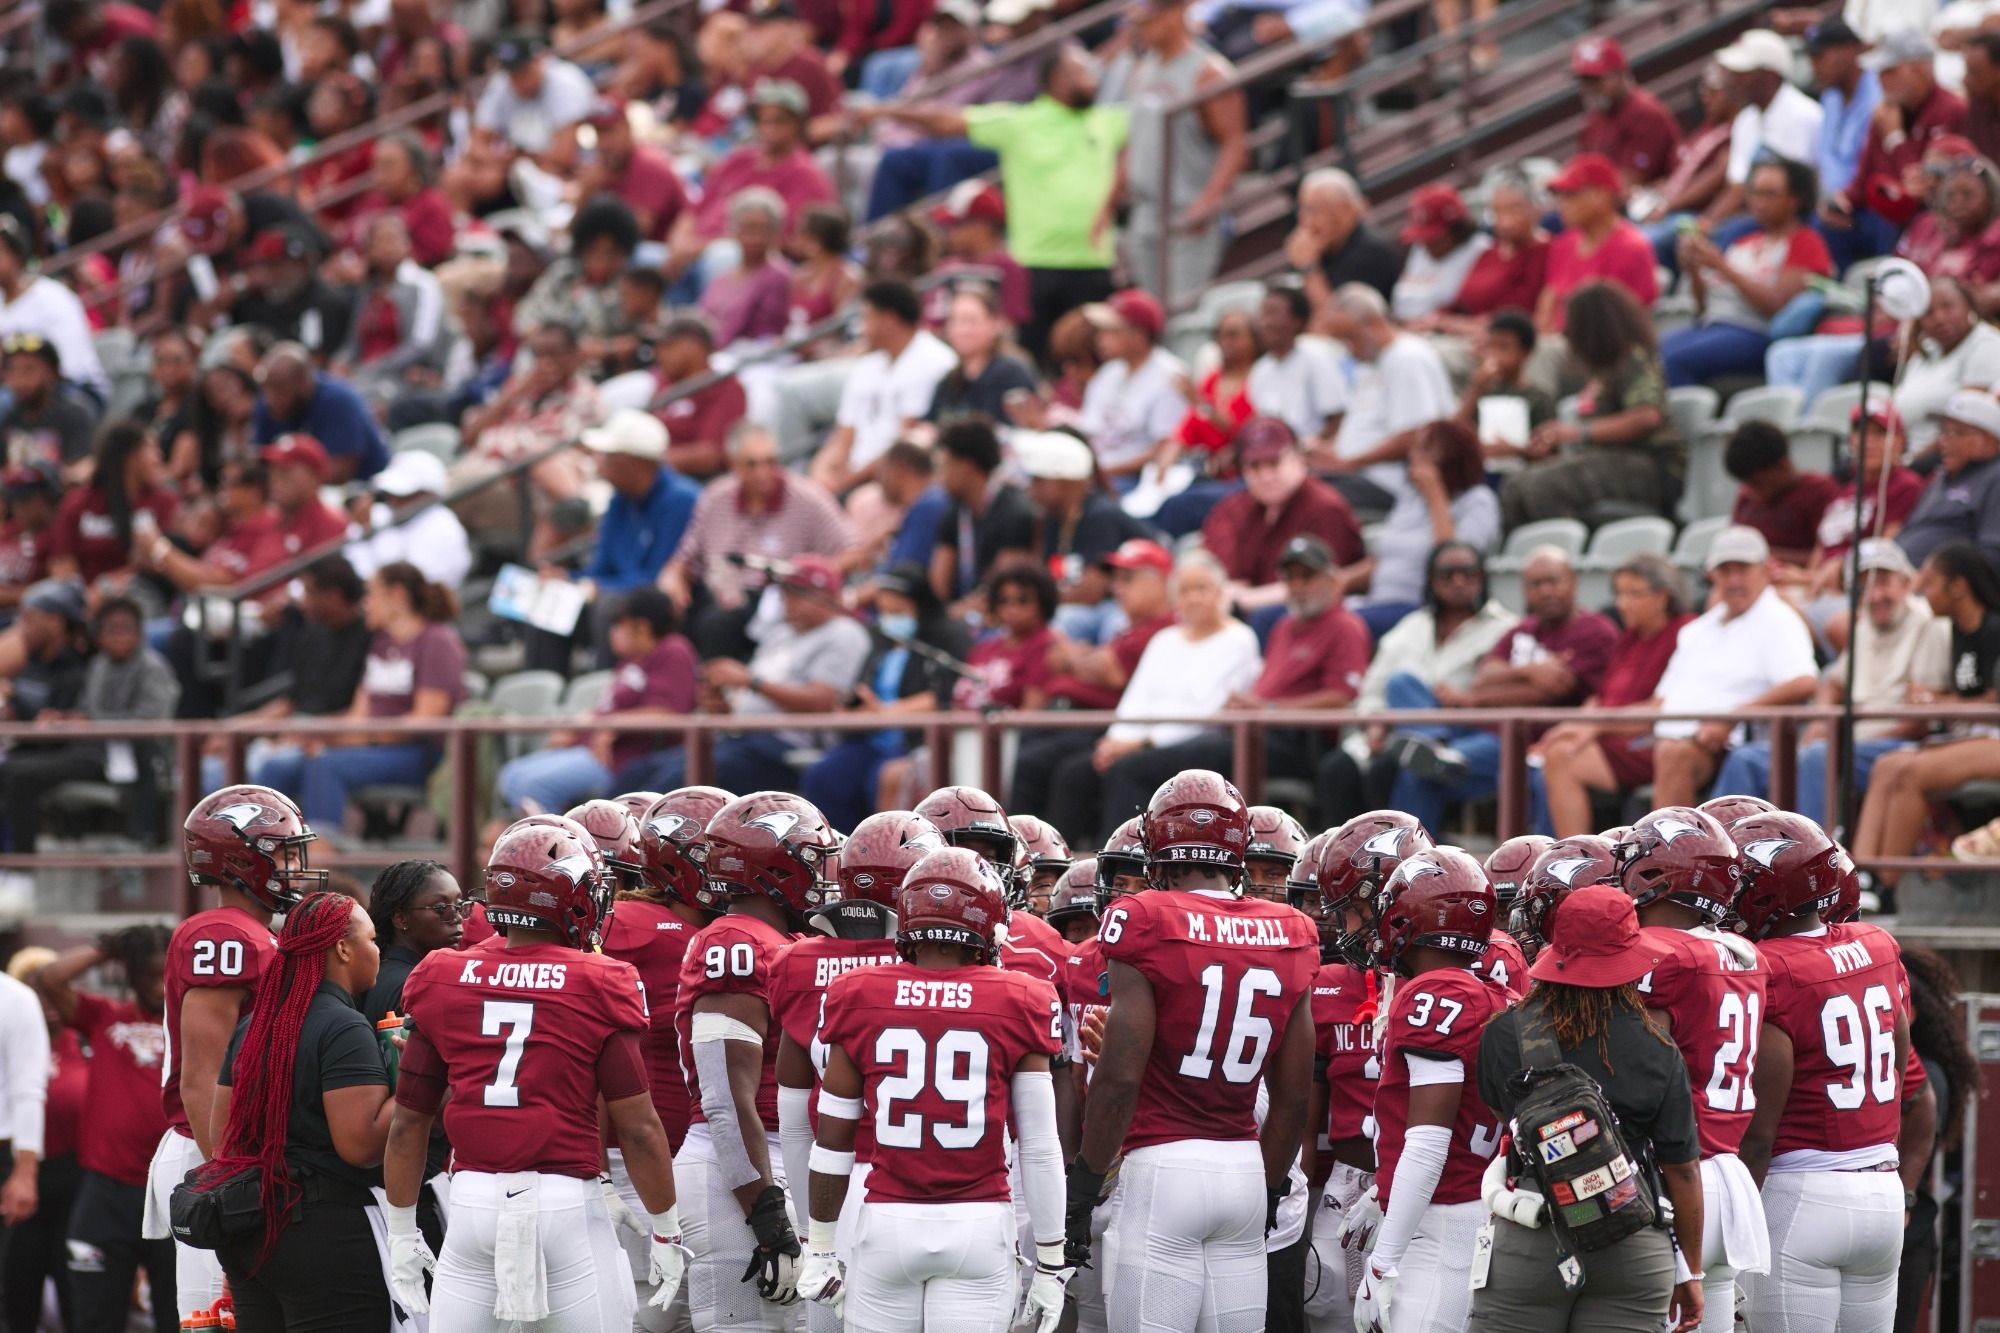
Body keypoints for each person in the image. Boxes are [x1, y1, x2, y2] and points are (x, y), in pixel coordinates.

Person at [384, 816, 684, 1330]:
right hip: (566, 1201)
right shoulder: (602, 978)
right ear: (568, 897)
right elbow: (637, 1126)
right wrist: (666, 1229)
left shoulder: (439, 972)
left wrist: (401, 1231)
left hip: (472, 1201)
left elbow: (409, 1121)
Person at [1064, 772, 1317, 1333]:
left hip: (1163, 1167)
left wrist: (1084, 1186)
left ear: (1157, 845)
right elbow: (1294, 1097)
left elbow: (1120, 1078)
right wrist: (1271, 1187)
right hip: (1245, 1169)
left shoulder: (1145, 916)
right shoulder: (1293, 928)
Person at [798, 843, 1061, 1331]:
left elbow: (831, 1139)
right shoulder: (1022, 996)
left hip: (885, 1224)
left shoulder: (858, 992)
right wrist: (1050, 1260)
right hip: (979, 1225)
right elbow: (1041, 1147)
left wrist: (820, 1246)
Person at [1470, 883, 1707, 1333]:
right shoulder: (1657, 1044)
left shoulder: (1503, 1033)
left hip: (1534, 1230)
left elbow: (1509, 1120)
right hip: (1632, 1240)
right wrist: (1689, 1270)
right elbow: (1683, 1170)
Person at [1732, 812, 1914, 1333]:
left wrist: (1732, 1227)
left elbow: (1760, 1134)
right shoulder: (1877, 945)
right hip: (1882, 1187)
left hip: (1798, 1194)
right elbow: (1899, 1061)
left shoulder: (1766, 967)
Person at [150, 786, 317, 1321]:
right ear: (245, 862)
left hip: (239, 1145)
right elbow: (203, 1075)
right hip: (214, 1145)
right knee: (218, 1318)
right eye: (286, 853)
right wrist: (227, 1178)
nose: (297, 866)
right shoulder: (224, 935)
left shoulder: (259, 935)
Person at [673, 794, 834, 1333]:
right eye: (812, 860)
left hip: (767, 1158)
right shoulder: (735, 940)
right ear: (776, 868)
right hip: (739, 1166)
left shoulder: (786, 941)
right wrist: (765, 1214)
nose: (822, 873)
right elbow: (723, 1096)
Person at [768, 810, 929, 1333]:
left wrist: (815, 1228)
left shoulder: (795, 962)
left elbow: (792, 1120)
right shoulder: (948, 967)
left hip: (833, 1183)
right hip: (930, 1185)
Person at [201, 891, 393, 1327]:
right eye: (373, 939)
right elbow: (361, 1146)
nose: (378, 951)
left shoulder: (256, 1022)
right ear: (343, 948)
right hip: (322, 1234)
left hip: (250, 1228)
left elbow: (223, 1139)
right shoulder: (344, 1026)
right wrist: (418, 1081)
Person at [1613, 811, 1770, 1333]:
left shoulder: (1661, 954)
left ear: (1658, 875)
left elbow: (1640, 1080)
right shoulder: (1743, 952)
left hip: (1672, 1175)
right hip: (1727, 1174)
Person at [869, 47, 1128, 360]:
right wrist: (882, 111)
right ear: (1057, 79)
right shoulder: (1021, 121)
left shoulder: (1106, 122)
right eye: (1081, 73)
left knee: (1092, 359)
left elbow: (1148, 128)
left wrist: (1115, 190)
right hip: (1036, 263)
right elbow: (944, 120)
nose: (1093, 81)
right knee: (1033, 359)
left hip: (1093, 262)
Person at [1348, 846, 1513, 1333]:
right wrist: (1384, 1195)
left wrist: (1384, 1261)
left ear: (1406, 921)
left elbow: (1428, 1142)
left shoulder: (1434, 994)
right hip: (1478, 1208)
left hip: (1442, 1220)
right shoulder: (1495, 993)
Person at [1716, 539, 1949, 825]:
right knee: (1747, 758)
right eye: (1863, 588)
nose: (1874, 595)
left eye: (1883, 582)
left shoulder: (1929, 623)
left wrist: (1841, 739)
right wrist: (1820, 722)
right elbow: (1831, 683)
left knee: (1817, 757)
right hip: (1846, 743)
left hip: (1896, 744)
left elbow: (1921, 720)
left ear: (1906, 582)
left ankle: (1814, 860)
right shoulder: (1866, 626)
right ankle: (1721, 858)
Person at [1043, 550, 1261, 844]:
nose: (1194, 598)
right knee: (1075, 772)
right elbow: (1136, 699)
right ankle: (1058, 869)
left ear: (1221, 593)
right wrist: (1114, 741)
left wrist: (1139, 744)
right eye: (1185, 590)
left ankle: (1123, 865)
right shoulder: (1164, 640)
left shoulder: (1239, 639)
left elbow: (1208, 711)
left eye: (1202, 588)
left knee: (1128, 770)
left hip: (1199, 744)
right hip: (1141, 742)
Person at [35, 926, 175, 1333]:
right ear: (130, 974)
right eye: (147, 973)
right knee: (95, 1318)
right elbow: (50, 978)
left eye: (164, 973)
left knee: (179, 1316)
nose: (157, 983)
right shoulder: (105, 1016)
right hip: (105, 1193)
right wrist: (111, 946)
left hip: (168, 1189)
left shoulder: (191, 1025)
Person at [257, 561, 467, 832]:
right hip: (373, 745)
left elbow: (424, 721)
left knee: (324, 763)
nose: (364, 603)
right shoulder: (381, 643)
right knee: (277, 766)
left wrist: (347, 739)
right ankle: (263, 849)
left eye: (371, 594)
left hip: (419, 754)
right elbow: (358, 715)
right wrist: (314, 733)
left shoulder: (437, 640)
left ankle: (321, 857)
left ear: (397, 596)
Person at [1008, 538, 1177, 824]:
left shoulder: (1165, 628)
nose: (1117, 588)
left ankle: (1039, 858)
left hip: (1099, 721)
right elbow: (1081, 662)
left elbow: (1112, 672)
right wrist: (1084, 657)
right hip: (1069, 716)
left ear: (1161, 582)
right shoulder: (1130, 629)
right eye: (1115, 579)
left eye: (1128, 578)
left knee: (1040, 765)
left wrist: (1072, 658)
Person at [1648, 526, 1820, 807]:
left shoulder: (1779, 619)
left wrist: (1732, 717)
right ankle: (1569, 851)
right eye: (1725, 571)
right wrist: (1596, 727)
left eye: (1743, 569)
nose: (1734, 580)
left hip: (1725, 744)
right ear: (1712, 576)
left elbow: (1803, 682)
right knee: (1565, 751)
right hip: (1661, 734)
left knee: (1672, 752)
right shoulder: (1697, 628)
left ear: (1765, 571)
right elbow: (1660, 701)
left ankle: (1664, 851)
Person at [1851, 542, 2000, 861]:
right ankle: (1858, 875)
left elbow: (1993, 701)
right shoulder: (1957, 631)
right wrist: (1937, 699)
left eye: (1929, 583)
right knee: (1886, 765)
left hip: (1992, 737)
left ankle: (1890, 879)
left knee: (1910, 772)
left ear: (1958, 586)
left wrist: (1937, 700)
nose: (1921, 591)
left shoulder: (1994, 628)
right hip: (1971, 736)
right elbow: (1970, 696)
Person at [657, 423, 855, 663]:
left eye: (770, 462)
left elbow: (852, 550)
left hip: (775, 595)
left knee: (717, 623)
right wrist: (674, 576)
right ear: (733, 464)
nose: (763, 473)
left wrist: (810, 579)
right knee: (656, 609)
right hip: (715, 589)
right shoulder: (716, 495)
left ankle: (713, 691)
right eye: (751, 465)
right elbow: (685, 555)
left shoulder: (806, 498)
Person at [1534, 554, 1696, 836]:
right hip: (1611, 735)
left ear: (1662, 597)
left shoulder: (1685, 631)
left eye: (1634, 594)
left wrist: (1593, 726)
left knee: (1560, 756)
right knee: (1552, 747)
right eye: (1619, 594)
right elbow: (1599, 697)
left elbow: (1663, 707)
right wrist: (1573, 726)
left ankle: (1575, 859)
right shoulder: (1630, 637)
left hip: (1649, 739)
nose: (1622, 603)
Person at [0, 595, 177, 852]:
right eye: (111, 630)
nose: (119, 636)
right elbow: (85, 711)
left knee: (23, 776)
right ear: (99, 635)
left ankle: (24, 869)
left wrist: (91, 722)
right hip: (89, 749)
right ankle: (9, 860)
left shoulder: (153, 668)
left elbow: (151, 721)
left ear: (139, 632)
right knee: (9, 768)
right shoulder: (98, 665)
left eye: (126, 628)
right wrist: (63, 718)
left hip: (131, 756)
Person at [1502, 281, 1684, 530]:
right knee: (1514, 487)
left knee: (1542, 487)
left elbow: (1647, 416)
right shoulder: (1602, 370)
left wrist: (1578, 431)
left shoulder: (1632, 358)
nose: (1567, 332)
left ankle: (1565, 559)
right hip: (1608, 459)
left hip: (1650, 466)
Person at [501, 590, 700, 814]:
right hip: (591, 748)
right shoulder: (629, 660)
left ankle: (561, 844)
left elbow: (671, 714)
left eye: (618, 624)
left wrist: (611, 724)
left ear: (642, 627)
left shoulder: (673, 649)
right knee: (512, 774)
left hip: (626, 758)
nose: (612, 632)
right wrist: (574, 726)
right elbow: (607, 707)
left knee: (533, 786)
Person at [1113, 0, 1248, 305]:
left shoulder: (1208, 72)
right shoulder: (1142, 69)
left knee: (1182, 313)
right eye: (1138, 24)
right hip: (1145, 210)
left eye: (1148, 22)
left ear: (1175, 15)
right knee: (1148, 314)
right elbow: (1133, 141)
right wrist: (1108, 201)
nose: (1141, 31)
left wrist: (1208, 201)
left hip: (1186, 211)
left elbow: (1235, 142)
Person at [1666, 155, 1833, 387]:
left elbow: (1777, 307)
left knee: (1673, 361)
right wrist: (1693, 267)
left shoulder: (1806, 242)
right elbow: (1702, 306)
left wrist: (1722, 266)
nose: (1759, 203)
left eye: (1770, 194)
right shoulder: (1744, 240)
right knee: (1647, 356)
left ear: (1796, 199)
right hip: (1712, 324)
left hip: (1753, 331)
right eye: (1754, 193)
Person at [1350, 419, 1502, 638]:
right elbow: (1383, 560)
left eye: (1425, 449)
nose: (1413, 456)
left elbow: (1452, 562)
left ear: (1451, 455)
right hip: (1375, 601)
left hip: (1418, 607)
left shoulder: (1478, 501)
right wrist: (1340, 581)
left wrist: (1435, 495)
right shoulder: (1411, 496)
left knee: (1336, 627)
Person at [1201, 417, 1364, 621]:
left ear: (1298, 460)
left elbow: (1320, 586)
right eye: (1254, 467)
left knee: (1267, 617)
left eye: (1274, 463)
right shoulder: (1235, 507)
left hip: (1306, 620)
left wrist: (1247, 598)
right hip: (1239, 617)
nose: (1266, 476)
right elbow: (1214, 574)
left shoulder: (1324, 507)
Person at [1316, 284, 1455, 515]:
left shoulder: (1408, 358)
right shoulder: (1369, 362)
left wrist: (1349, 462)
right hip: (1357, 475)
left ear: (1373, 322)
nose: (1347, 349)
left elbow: (1416, 435)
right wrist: (1329, 451)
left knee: (1310, 505)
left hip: (1388, 484)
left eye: (1350, 338)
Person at [810, 281, 958, 497]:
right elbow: (843, 435)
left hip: (890, 480)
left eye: (867, 318)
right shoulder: (866, 365)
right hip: (848, 478)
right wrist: (819, 473)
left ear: (889, 320)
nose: (862, 328)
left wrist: (845, 482)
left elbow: (905, 443)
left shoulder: (935, 360)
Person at [1710, 29, 1825, 228]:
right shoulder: (1744, 120)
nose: (1732, 80)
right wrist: (1706, 223)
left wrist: (1710, 224)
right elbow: (1737, 186)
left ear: (1769, 75)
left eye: (1742, 73)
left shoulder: (1804, 114)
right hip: (1756, 214)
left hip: (1797, 219)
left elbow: (1789, 194)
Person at [1536, 155, 1661, 335]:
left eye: (1571, 195)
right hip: (1559, 346)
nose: (1561, 205)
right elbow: (1548, 303)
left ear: (1601, 196)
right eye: (1560, 197)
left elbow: (1620, 325)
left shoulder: (1631, 248)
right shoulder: (1563, 243)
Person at [1077, 288, 1190, 481]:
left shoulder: (1171, 375)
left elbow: (1165, 447)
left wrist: (1102, 474)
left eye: (1110, 331)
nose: (1099, 339)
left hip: (1136, 480)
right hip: (1096, 474)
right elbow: (1089, 430)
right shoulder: (1109, 371)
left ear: (1138, 334)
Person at [249, 343, 389, 484]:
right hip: (297, 490)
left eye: (281, 390)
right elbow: (259, 461)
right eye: (267, 389)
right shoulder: (266, 403)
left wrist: (287, 481)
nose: (271, 400)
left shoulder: (337, 399)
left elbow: (340, 473)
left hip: (362, 486)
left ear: (304, 382)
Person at [929, 417, 1034, 605]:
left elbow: (1003, 589)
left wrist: (955, 616)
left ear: (966, 467)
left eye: (944, 467)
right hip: (963, 614)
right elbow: (938, 588)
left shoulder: (1014, 512)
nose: (939, 479)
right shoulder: (954, 513)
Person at [1896, 390, 2000, 572]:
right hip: (1899, 579)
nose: (1945, 441)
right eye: (1943, 431)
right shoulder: (1938, 480)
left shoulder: (1994, 478)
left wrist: (1935, 579)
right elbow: (1910, 533)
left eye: (1957, 432)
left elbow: (1990, 555)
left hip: (1940, 589)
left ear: (1989, 440)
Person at [1286, 167, 1405, 308]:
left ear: (1344, 211)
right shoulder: (1321, 248)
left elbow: (1339, 323)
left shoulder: (1372, 252)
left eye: (1313, 211)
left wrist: (1309, 268)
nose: (1306, 222)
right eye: (1302, 210)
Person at [1725, 420, 1840, 566]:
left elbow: (1831, 555)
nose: (1752, 492)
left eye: (1758, 484)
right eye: (1746, 484)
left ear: (1783, 465)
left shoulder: (1819, 491)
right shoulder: (1746, 495)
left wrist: (1764, 557)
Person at [1574, 35, 1682, 188]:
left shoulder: (1645, 112)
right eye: (1585, 81)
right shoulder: (1593, 120)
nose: (1590, 89)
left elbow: (1627, 183)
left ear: (1621, 74)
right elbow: (1581, 173)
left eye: (1596, 80)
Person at [0, 333, 95, 480]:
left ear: (51, 373)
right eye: (13, 371)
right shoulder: (10, 418)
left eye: (29, 370)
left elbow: (82, 471)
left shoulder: (74, 415)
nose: (19, 380)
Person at [1392, 184, 1491, 321]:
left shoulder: (1483, 251)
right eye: (1421, 237)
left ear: (1456, 230)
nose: (1426, 244)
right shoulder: (1420, 249)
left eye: (1433, 237)